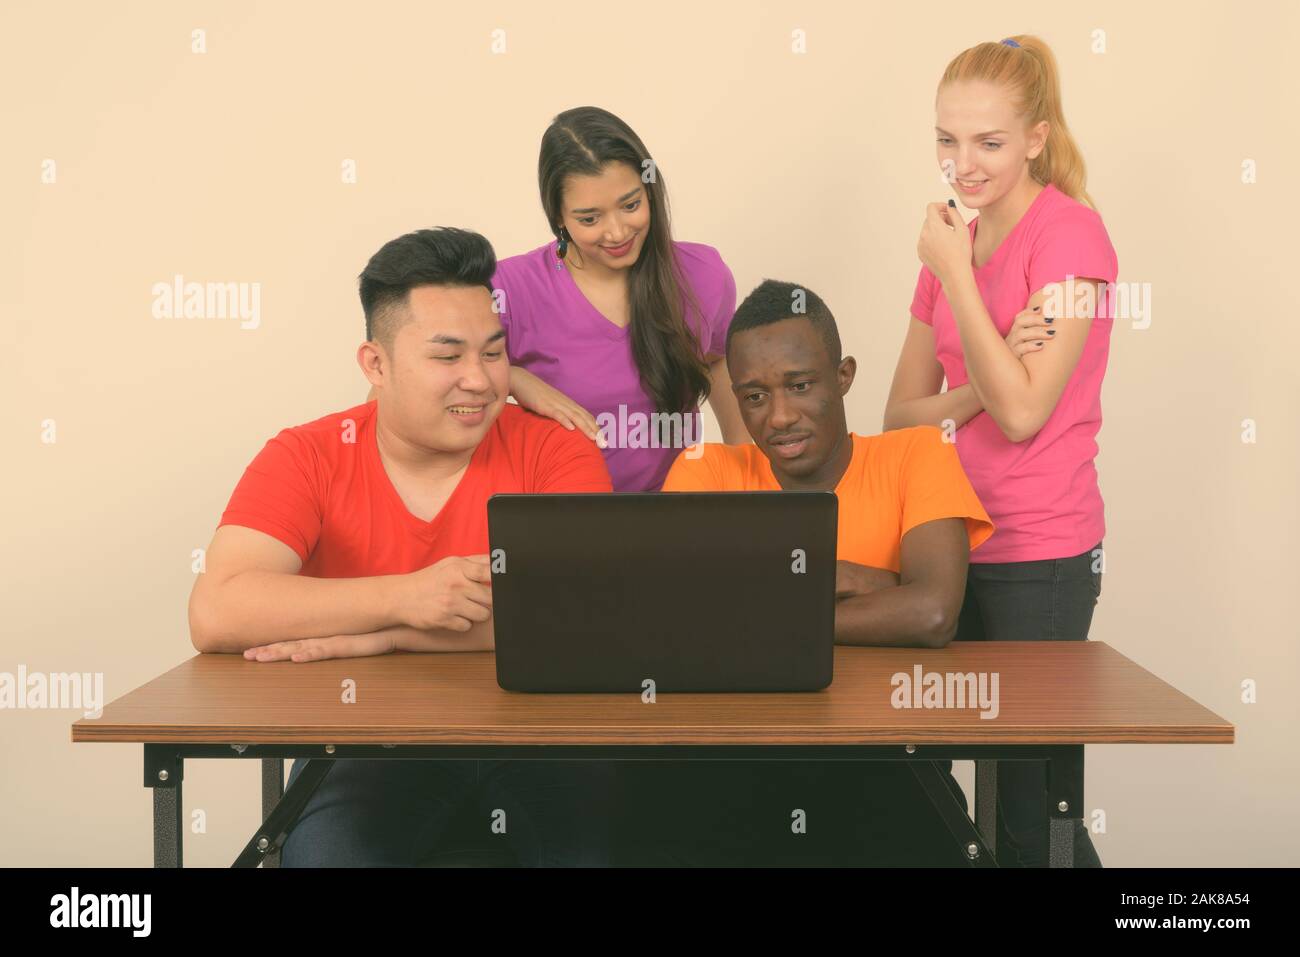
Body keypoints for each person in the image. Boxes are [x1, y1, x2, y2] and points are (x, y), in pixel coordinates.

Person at [187, 226, 614, 866]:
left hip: (541, 739)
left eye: (494, 353)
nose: (479, 380)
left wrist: (386, 636)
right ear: (376, 364)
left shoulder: (555, 450)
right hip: (363, 746)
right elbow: (219, 610)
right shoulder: (306, 455)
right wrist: (410, 596)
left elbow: (585, 617)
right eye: (447, 357)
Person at [619, 279, 995, 866]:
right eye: (755, 397)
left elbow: (932, 612)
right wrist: (870, 580)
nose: (781, 417)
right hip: (735, 768)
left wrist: (759, 602)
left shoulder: (917, 453)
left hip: (888, 765)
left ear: (842, 376)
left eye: (800, 386)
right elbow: (680, 622)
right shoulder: (706, 470)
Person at [883, 35, 1119, 867]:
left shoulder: (1069, 240)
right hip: (945, 542)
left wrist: (954, 274)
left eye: (987, 141)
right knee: (915, 773)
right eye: (947, 140)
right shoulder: (952, 240)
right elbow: (901, 418)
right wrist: (983, 379)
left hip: (1038, 552)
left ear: (1035, 138)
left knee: (1031, 813)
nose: (963, 163)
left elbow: (1024, 415)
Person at [490, 106, 749, 491]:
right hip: (557, 522)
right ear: (558, 216)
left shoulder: (703, 276)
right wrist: (511, 377)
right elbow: (426, 384)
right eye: (590, 219)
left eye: (630, 205)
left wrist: (752, 485)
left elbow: (718, 366)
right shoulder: (508, 288)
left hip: (673, 521)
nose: (616, 232)